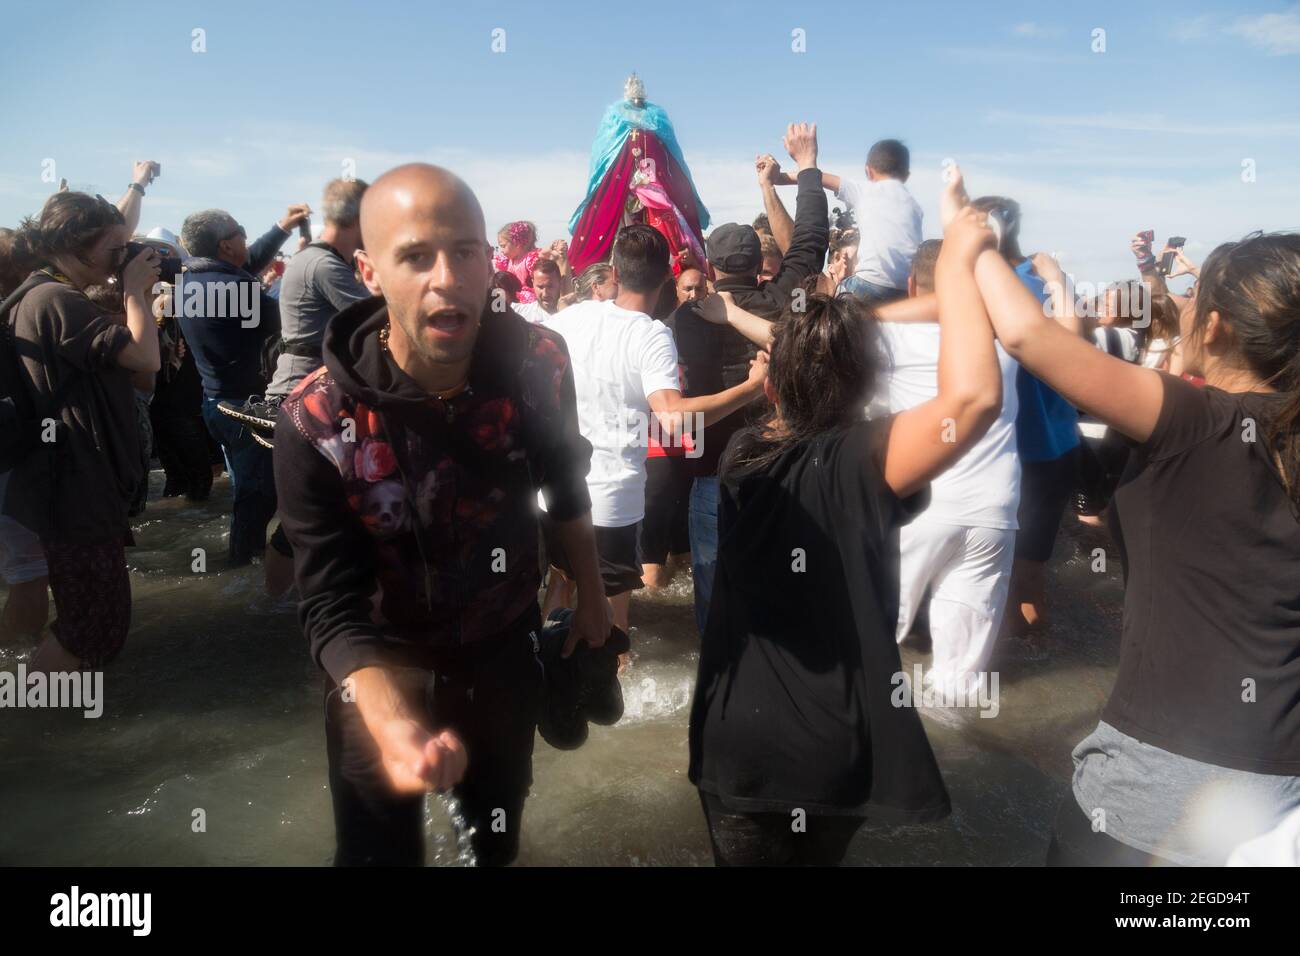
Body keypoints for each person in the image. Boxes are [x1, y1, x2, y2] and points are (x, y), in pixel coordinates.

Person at [274, 163, 610, 866]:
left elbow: (565, 486)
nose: (446, 278)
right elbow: (329, 603)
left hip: (502, 651)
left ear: (489, 261)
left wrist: (592, 598)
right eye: (416, 256)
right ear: (369, 272)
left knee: (494, 845)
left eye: (464, 252)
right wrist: (392, 722)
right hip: (376, 665)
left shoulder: (538, 364)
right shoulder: (318, 419)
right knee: (375, 858)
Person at [966, 230, 1300, 866]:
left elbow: (1027, 335)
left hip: (1155, 798)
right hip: (1285, 804)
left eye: (1196, 300)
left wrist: (972, 236)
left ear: (1216, 327)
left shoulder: (1197, 419)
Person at [689, 207, 1005, 865]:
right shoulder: (866, 460)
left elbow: (798, 376)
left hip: (738, 740)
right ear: (867, 387)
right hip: (835, 747)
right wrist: (959, 263)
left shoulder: (745, 455)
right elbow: (974, 398)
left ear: (773, 383)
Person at [541, 224, 766, 636]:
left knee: (561, 585)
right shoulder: (650, 334)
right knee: (612, 621)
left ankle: (544, 668)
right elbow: (674, 417)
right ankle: (615, 675)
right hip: (610, 499)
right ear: (667, 276)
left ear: (614, 272)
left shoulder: (570, 317)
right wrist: (750, 389)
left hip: (555, 491)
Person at [675, 122, 829, 636]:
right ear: (757, 262)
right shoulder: (789, 301)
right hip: (781, 475)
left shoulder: (684, 320)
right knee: (780, 606)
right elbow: (810, 240)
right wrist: (806, 167)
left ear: (711, 266)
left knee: (715, 612)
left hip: (713, 479)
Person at [3, 192, 161, 671]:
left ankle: (43, 696)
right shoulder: (55, 298)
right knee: (91, 622)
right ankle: (30, 707)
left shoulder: (43, 293)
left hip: (68, 480)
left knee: (94, 615)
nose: (122, 258)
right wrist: (134, 293)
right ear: (76, 245)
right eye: (115, 249)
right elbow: (145, 360)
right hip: (74, 485)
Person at [877, 238, 1021, 698]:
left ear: (910, 285)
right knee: (960, 677)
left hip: (916, 506)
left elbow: (805, 340)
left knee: (872, 639)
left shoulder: (886, 338)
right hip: (994, 509)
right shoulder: (1002, 342)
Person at [962, 189, 1079, 639]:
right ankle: (1034, 652)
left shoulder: (981, 284)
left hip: (1000, 451)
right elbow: (1074, 345)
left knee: (987, 576)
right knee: (1029, 577)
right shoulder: (1045, 279)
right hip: (1054, 448)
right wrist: (1058, 279)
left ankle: (1000, 666)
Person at [179, 203, 306, 564]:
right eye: (241, 233)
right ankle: (243, 572)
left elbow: (247, 264)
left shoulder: (193, 280)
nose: (247, 240)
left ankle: (243, 554)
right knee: (258, 497)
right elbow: (293, 319)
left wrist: (282, 227)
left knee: (246, 492)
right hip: (244, 411)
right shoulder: (235, 288)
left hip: (216, 404)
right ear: (225, 245)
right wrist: (303, 268)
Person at [784, 138, 921, 304]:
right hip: (907, 287)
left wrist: (781, 178)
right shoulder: (915, 206)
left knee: (829, 299)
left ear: (868, 172)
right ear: (906, 176)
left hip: (870, 283)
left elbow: (816, 177)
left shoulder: (865, 189)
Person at [493, 220, 542, 303]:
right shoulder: (506, 261)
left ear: (517, 244)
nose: (501, 250)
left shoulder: (530, 260)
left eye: (503, 246)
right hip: (511, 298)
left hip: (528, 301)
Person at [512, 257, 563, 324]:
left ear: (560, 283)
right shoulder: (519, 312)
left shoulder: (572, 314)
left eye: (550, 287)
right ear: (533, 283)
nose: (545, 294)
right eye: (540, 287)